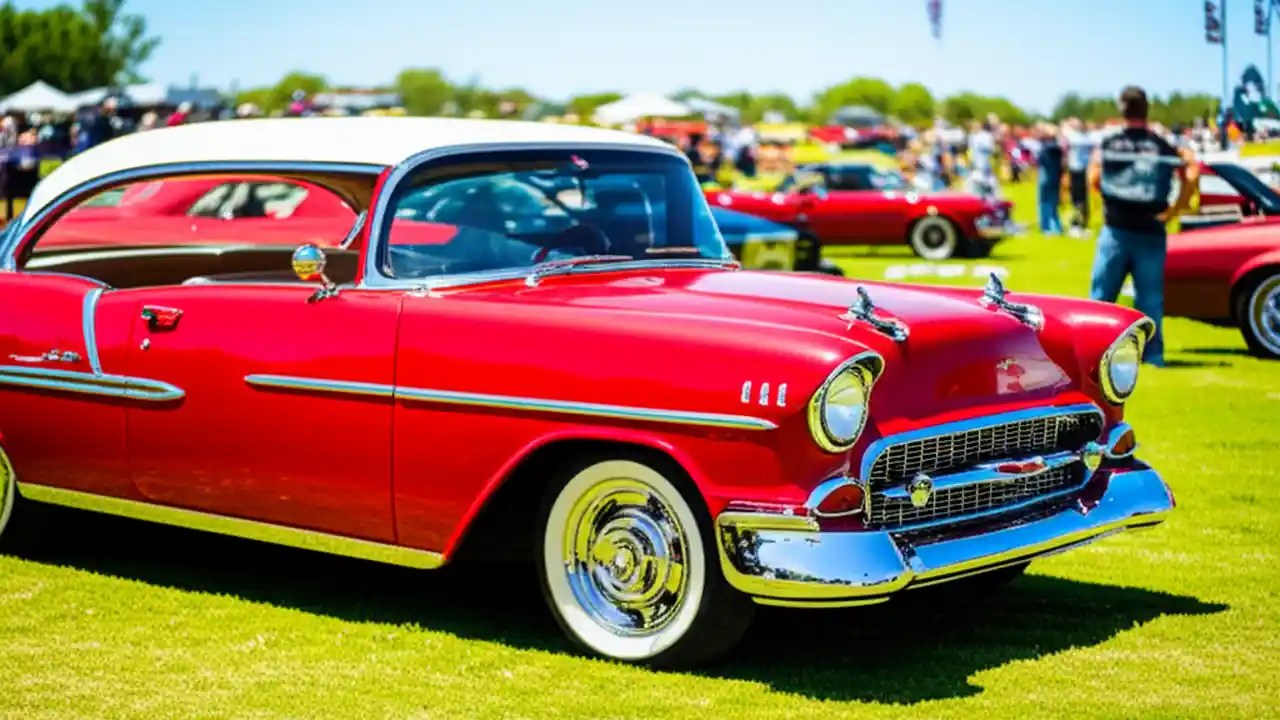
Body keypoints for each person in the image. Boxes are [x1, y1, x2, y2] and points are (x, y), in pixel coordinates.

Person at [1088, 86, 1198, 367]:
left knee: (1102, 298)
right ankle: (1153, 355)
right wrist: (1175, 208)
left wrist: (1111, 198)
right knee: (1149, 300)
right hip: (1151, 228)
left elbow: (1093, 178)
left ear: (1121, 108)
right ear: (1146, 109)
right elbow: (1192, 169)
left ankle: (1094, 351)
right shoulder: (1161, 144)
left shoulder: (1110, 143)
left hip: (1116, 228)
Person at [1064, 118, 1095, 237]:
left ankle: (1079, 223)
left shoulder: (1078, 137)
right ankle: (1078, 223)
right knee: (1078, 198)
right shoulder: (1080, 137)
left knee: (1079, 198)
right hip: (1077, 169)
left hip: (1080, 169)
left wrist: (1068, 124)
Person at [1034, 123, 1065, 235]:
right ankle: (1056, 226)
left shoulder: (1047, 147)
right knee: (1053, 202)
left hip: (1047, 175)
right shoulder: (1058, 146)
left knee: (1044, 201)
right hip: (1056, 176)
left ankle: (1046, 226)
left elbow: (1040, 161)